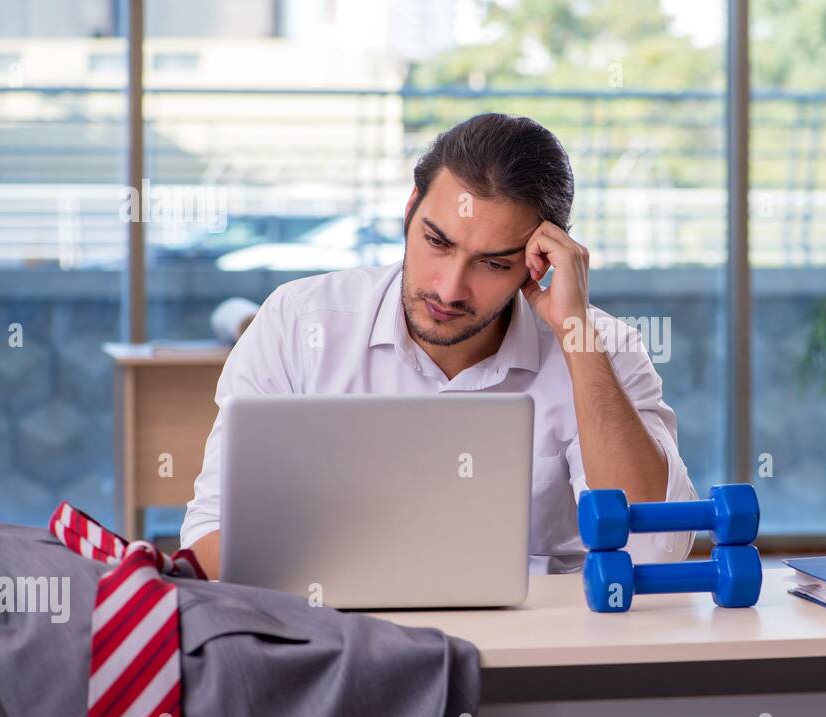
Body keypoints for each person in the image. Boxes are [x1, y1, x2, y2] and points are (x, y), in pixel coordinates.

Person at [180, 112, 698, 579]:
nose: (450, 289)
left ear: (540, 260)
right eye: (437, 242)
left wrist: (575, 338)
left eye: (494, 264)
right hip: (340, 635)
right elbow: (210, 531)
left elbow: (654, 547)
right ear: (410, 208)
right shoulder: (297, 323)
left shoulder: (598, 345)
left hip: (543, 651)